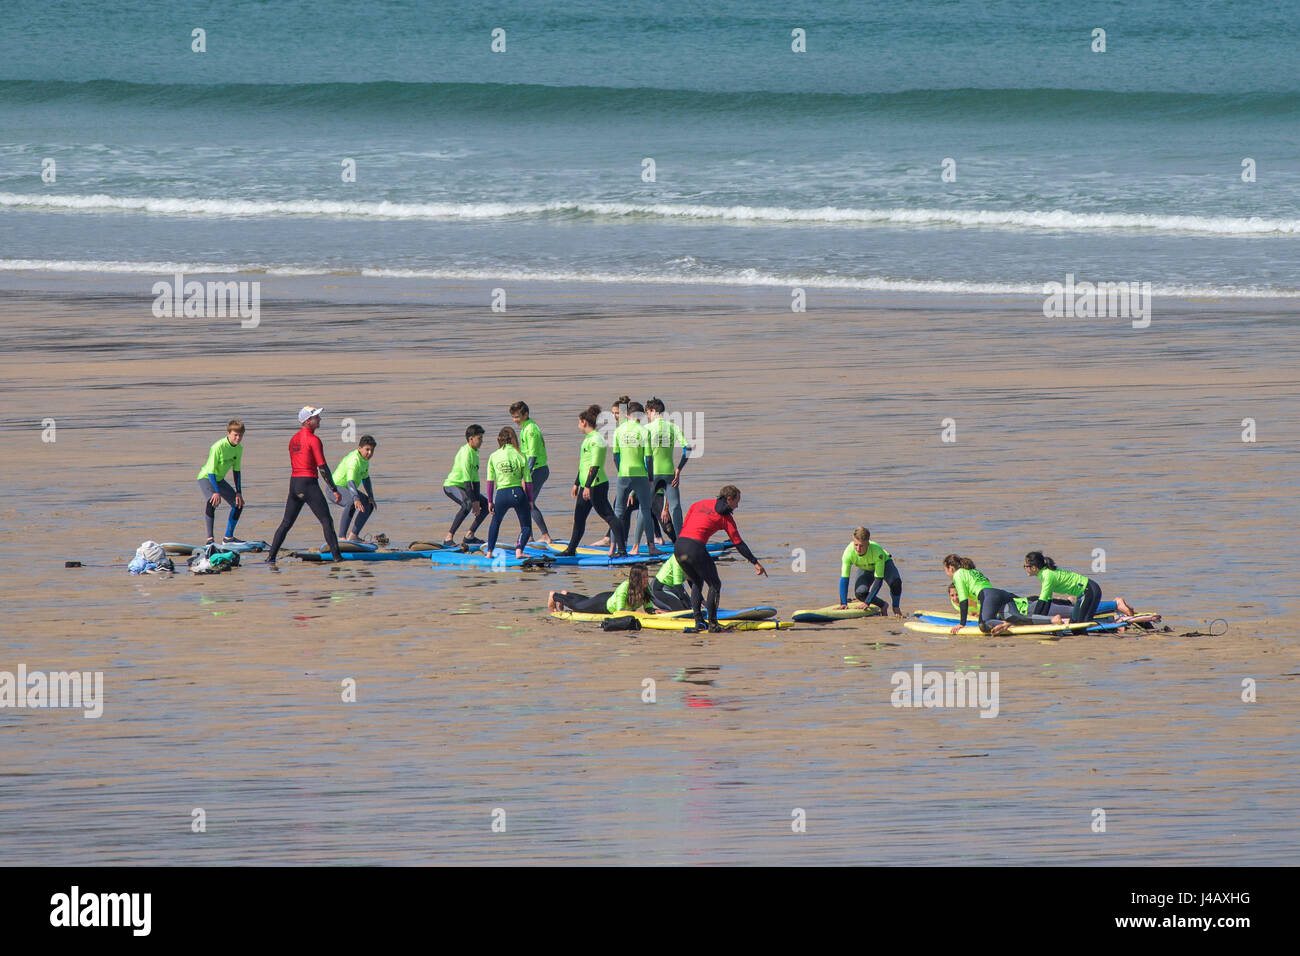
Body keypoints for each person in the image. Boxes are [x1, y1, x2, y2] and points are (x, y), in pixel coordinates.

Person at [674, 485, 767, 631]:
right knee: (715, 584)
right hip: (695, 548)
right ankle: (712, 623)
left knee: (697, 583)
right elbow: (739, 544)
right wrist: (755, 562)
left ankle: (699, 622)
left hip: (678, 547)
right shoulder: (726, 518)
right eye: (737, 501)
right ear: (729, 499)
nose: (737, 506)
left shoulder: (698, 504)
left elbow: (686, 526)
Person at [266, 407, 343, 564]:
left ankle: (270, 558)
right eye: (316, 417)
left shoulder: (293, 439)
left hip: (294, 484)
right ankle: (337, 558)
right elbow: (322, 467)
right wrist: (334, 489)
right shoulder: (314, 440)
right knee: (326, 520)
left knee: (286, 523)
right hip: (308, 484)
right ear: (307, 421)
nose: (319, 419)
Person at [559, 405, 627, 557]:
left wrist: (588, 486)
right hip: (586, 485)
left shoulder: (596, 439)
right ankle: (571, 550)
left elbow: (595, 465)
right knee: (579, 518)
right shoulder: (588, 439)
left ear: (584, 422)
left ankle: (622, 551)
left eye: (578, 422)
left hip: (596, 485)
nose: (578, 425)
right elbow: (584, 464)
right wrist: (577, 483)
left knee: (609, 516)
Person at [1023, 551, 1134, 623]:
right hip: (1087, 591)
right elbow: (1046, 602)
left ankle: (1117, 617)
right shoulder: (1045, 574)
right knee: (1074, 623)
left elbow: (1042, 602)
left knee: (1080, 625)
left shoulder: (1047, 575)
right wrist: (1040, 620)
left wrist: (1034, 621)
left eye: (1025, 566)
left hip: (1089, 591)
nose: (1024, 568)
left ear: (1033, 568)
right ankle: (1116, 621)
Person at [612, 401, 660, 557]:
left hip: (623, 475)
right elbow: (649, 458)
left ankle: (613, 548)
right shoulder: (644, 431)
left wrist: (621, 470)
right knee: (645, 510)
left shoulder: (618, 431)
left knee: (618, 512)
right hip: (641, 476)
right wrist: (650, 478)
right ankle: (652, 547)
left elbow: (615, 456)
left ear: (627, 415)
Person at [482, 426, 532, 559]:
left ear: (499, 440)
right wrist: (531, 500)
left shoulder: (493, 456)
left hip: (501, 495)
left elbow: (490, 481)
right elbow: (528, 481)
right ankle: (519, 550)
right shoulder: (521, 455)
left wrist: (489, 501)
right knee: (526, 526)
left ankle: (489, 552)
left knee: (496, 522)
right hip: (518, 493)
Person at [645, 397, 690, 543]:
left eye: (647, 413)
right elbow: (687, 449)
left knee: (643, 507)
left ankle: (642, 545)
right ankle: (682, 541)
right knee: (676, 507)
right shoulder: (673, 427)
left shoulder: (646, 429)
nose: (647, 417)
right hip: (670, 473)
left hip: (651, 475)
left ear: (653, 411)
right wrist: (679, 469)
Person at [196, 419, 246, 545]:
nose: (238, 438)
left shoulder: (239, 448)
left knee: (238, 504)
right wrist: (216, 492)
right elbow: (211, 472)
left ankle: (228, 538)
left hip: (219, 479)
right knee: (211, 501)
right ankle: (210, 540)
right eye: (235, 435)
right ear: (228, 433)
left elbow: (237, 471)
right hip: (206, 477)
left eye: (240, 435)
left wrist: (238, 492)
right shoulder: (217, 447)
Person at [510, 401, 552, 545]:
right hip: (533, 470)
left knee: (529, 503)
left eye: (517, 417)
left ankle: (544, 535)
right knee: (526, 503)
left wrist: (525, 478)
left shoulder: (531, 429)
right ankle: (530, 536)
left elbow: (532, 456)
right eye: (513, 417)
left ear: (526, 414)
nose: (515, 420)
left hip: (537, 470)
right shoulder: (525, 428)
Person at [941, 554, 1014, 635]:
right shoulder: (973, 571)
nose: (946, 574)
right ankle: (1011, 621)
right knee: (1012, 617)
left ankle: (1007, 623)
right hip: (1000, 593)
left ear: (951, 568)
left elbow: (963, 600)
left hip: (989, 596)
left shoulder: (958, 575)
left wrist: (962, 624)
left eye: (945, 570)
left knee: (983, 625)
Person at [592, 396, 631, 548]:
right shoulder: (624, 427)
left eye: (617, 413)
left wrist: (622, 472)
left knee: (620, 508)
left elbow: (617, 456)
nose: (614, 416)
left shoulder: (623, 429)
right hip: (630, 474)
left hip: (629, 474)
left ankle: (613, 540)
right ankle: (617, 538)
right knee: (624, 508)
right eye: (613, 413)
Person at [839, 527, 904, 617]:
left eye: (861, 545)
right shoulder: (848, 552)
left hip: (884, 564)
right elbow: (844, 579)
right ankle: (883, 605)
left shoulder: (877, 551)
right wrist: (843, 603)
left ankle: (896, 607)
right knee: (860, 593)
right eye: (856, 545)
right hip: (865, 568)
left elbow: (878, 580)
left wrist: (867, 602)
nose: (858, 549)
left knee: (896, 583)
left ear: (868, 543)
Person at [443, 425, 488, 546]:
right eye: (479, 438)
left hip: (464, 486)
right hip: (452, 485)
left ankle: (469, 536)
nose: (482, 441)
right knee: (468, 504)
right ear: (471, 438)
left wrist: (477, 501)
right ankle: (448, 538)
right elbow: (468, 482)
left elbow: (476, 481)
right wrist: (474, 502)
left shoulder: (475, 453)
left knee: (486, 505)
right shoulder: (465, 453)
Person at [548, 565, 656, 615]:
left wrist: (655, 611)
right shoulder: (625, 587)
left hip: (611, 597)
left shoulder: (647, 588)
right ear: (636, 579)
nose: (647, 579)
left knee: (586, 600)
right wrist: (636, 612)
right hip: (604, 604)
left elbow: (648, 607)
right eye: (644, 577)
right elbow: (619, 611)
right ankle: (554, 596)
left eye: (647, 576)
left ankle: (567, 594)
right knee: (579, 607)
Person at [333, 435, 377, 542]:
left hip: (348, 489)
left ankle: (353, 536)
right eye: (367, 449)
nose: (370, 453)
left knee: (369, 504)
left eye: (372, 450)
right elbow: (350, 481)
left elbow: (366, 479)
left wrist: (371, 496)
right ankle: (341, 537)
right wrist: (356, 498)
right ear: (359, 448)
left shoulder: (364, 460)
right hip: (334, 488)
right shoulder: (354, 460)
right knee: (352, 502)